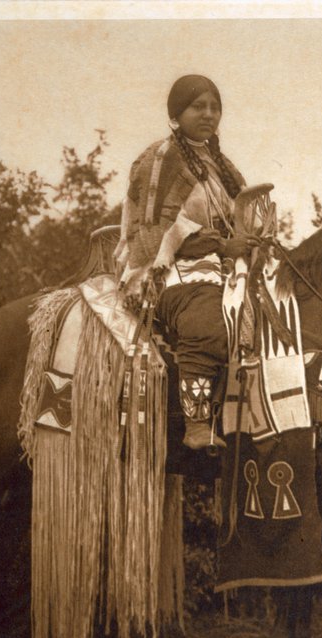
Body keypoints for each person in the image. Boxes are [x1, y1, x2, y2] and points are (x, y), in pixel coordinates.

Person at [113, 75, 260, 450]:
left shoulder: (223, 167)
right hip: (162, 273)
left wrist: (251, 243)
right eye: (199, 106)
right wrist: (219, 246)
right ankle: (196, 423)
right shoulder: (159, 160)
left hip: (224, 271)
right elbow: (148, 233)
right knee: (209, 323)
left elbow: (241, 220)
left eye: (214, 106)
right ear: (176, 115)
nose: (209, 114)